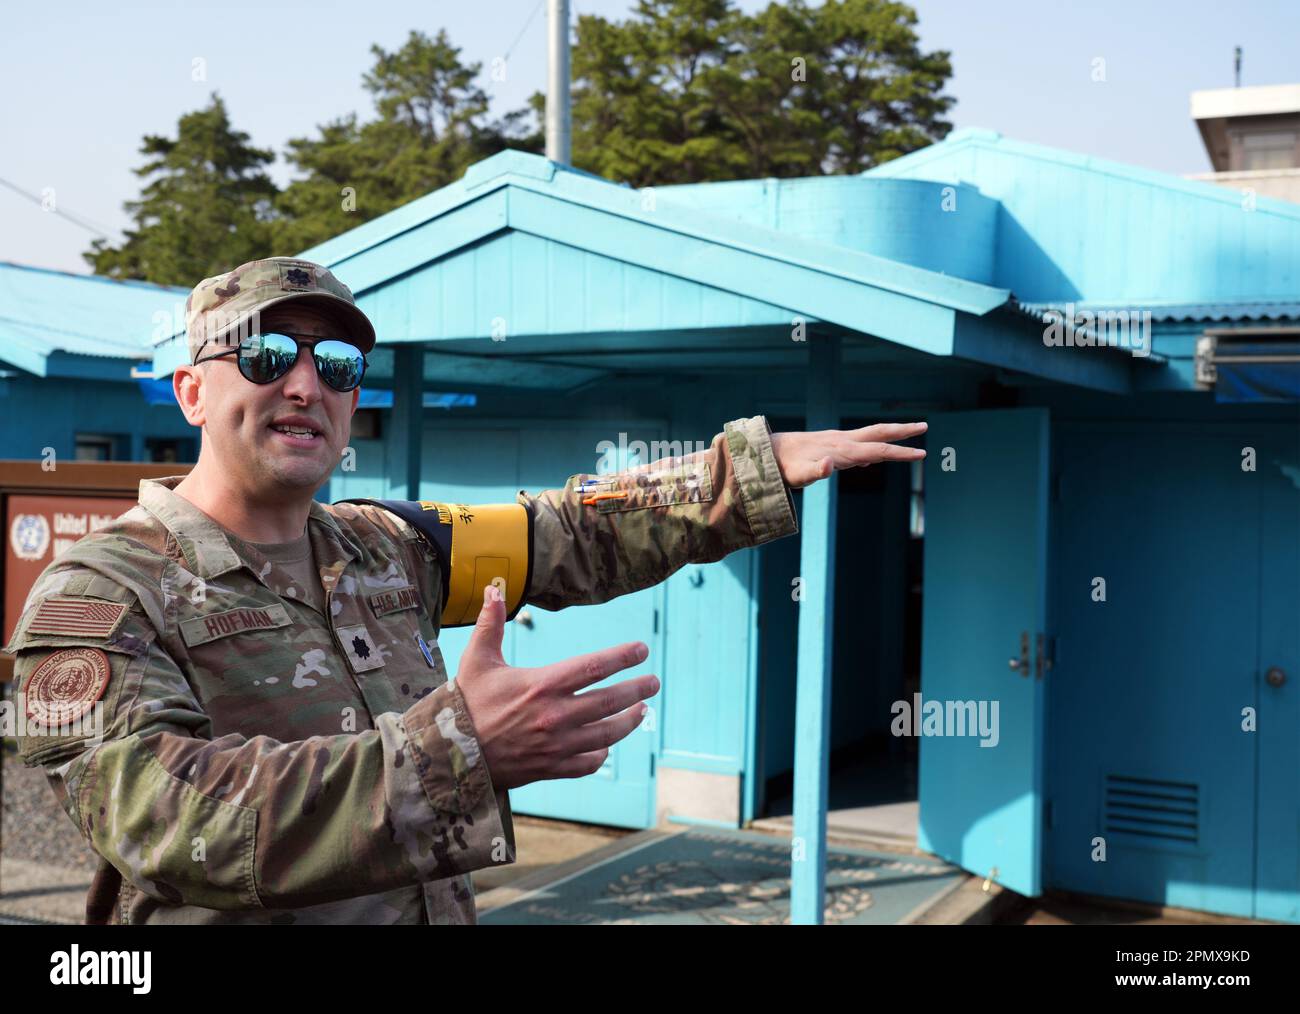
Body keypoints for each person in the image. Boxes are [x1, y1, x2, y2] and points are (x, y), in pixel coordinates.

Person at [4, 256, 927, 924]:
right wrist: (458, 748)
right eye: (264, 354)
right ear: (190, 393)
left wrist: (746, 471)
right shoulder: (101, 594)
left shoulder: (385, 546)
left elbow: (565, 528)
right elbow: (168, 824)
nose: (303, 384)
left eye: (336, 368)